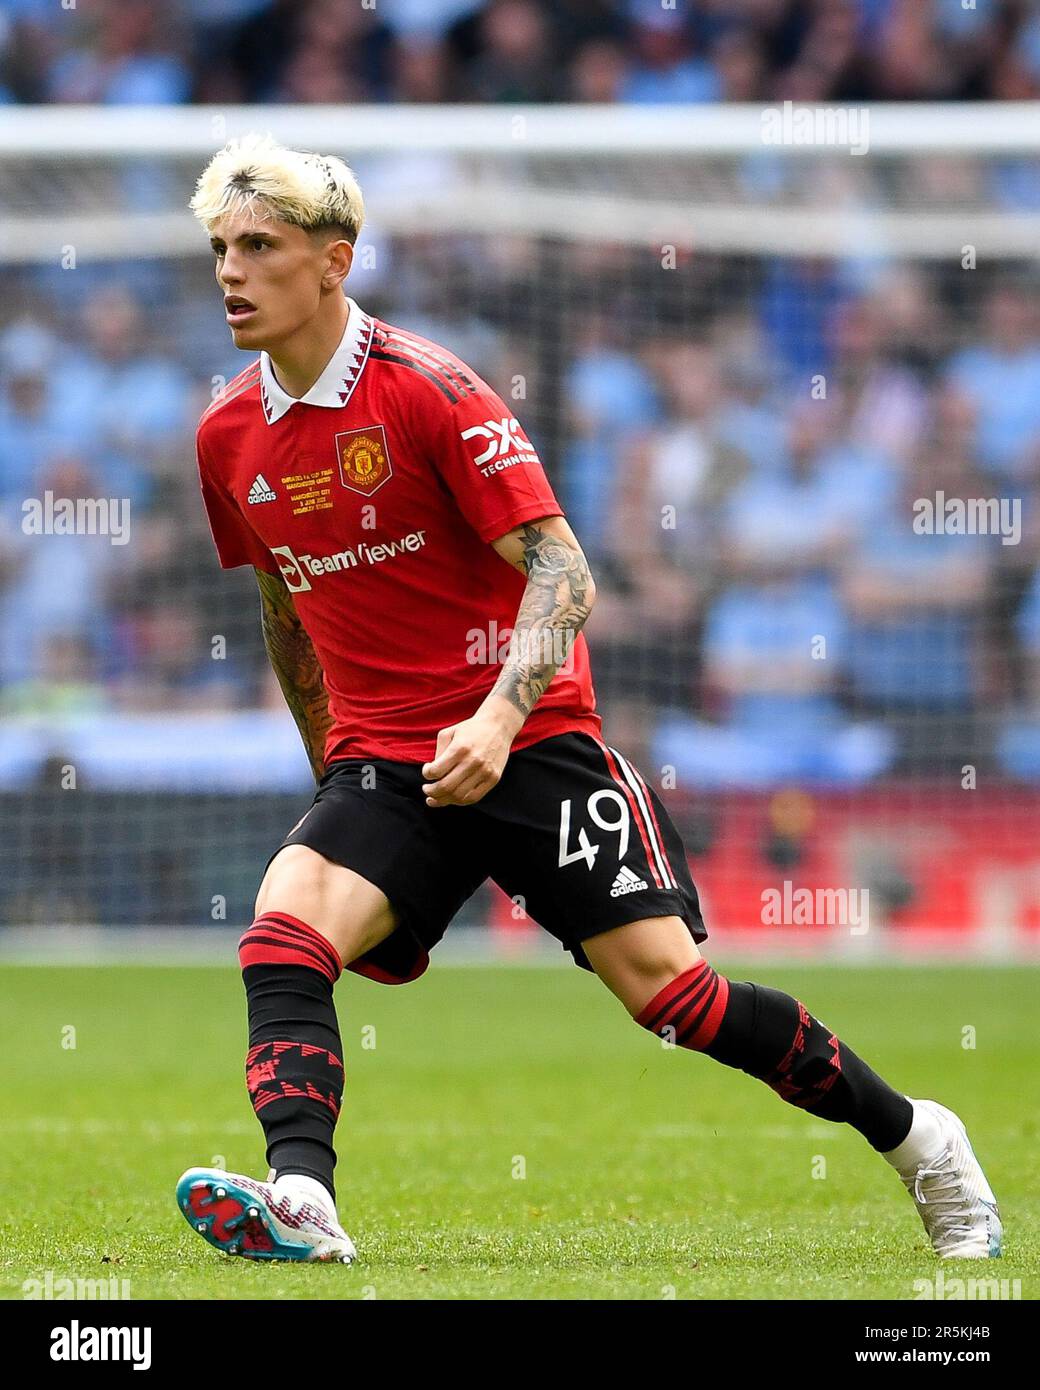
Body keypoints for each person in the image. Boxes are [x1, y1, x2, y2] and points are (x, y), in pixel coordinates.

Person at [176, 135, 1000, 1264]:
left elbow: (565, 572)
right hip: (386, 758)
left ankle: (920, 1140)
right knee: (280, 935)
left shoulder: (431, 392)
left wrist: (498, 717)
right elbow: (283, 606)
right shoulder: (225, 434)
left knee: (676, 998)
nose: (229, 269)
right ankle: (302, 1199)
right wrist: (330, 759)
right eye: (220, 246)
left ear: (334, 260)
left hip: (532, 738)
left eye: (258, 245)